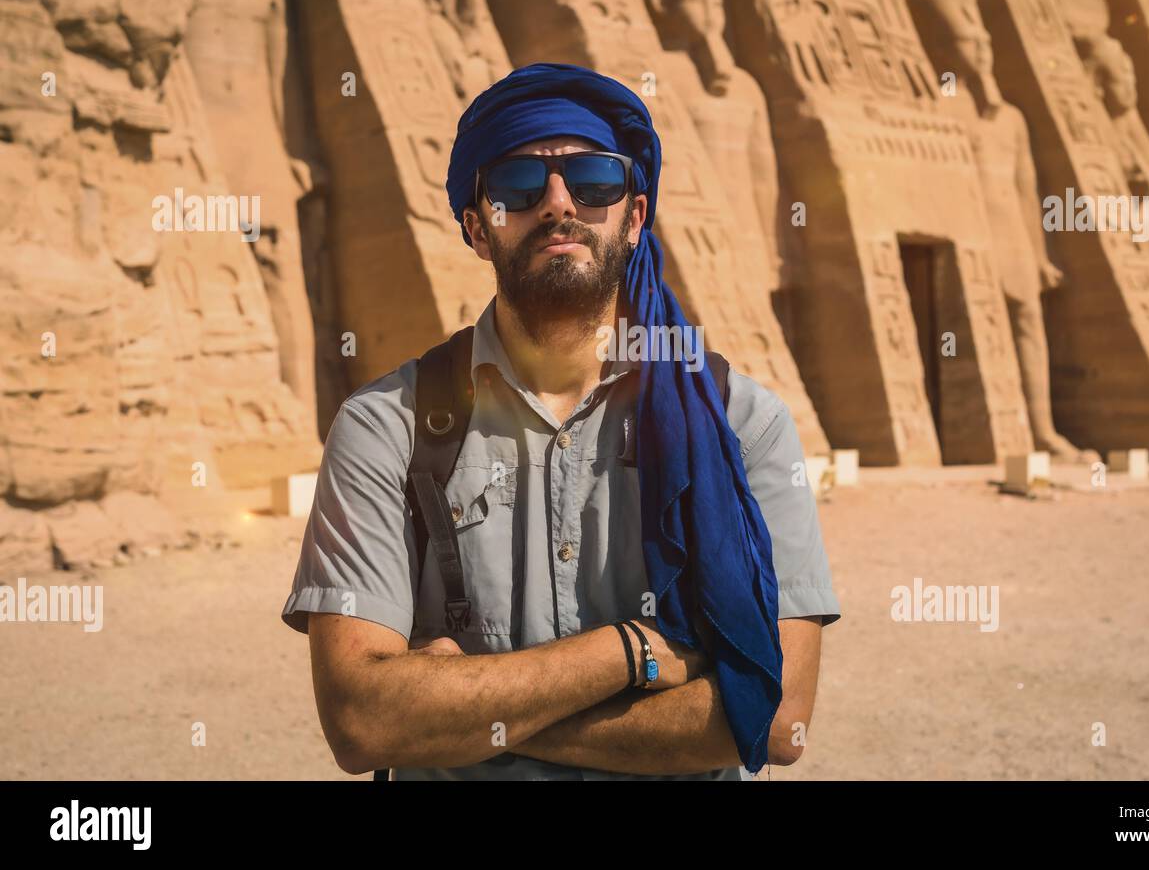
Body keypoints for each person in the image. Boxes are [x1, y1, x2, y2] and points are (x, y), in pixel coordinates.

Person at [281, 62, 841, 780]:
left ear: (634, 219)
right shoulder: (386, 427)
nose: (557, 203)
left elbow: (776, 720)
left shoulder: (742, 423)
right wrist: (630, 653)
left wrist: (463, 718)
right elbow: (363, 724)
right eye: (518, 184)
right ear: (479, 229)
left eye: (594, 180)